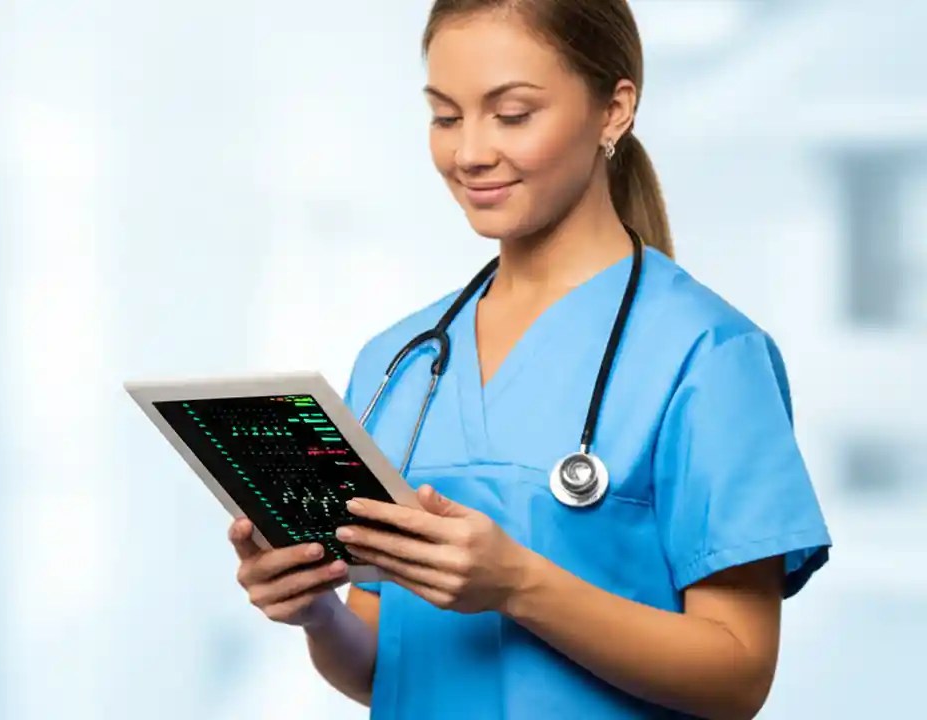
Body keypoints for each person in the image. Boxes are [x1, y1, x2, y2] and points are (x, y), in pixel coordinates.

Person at [226, 0, 832, 717]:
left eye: (511, 114)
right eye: (446, 116)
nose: (470, 152)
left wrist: (518, 584)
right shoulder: (398, 364)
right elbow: (386, 668)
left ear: (614, 110)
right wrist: (316, 612)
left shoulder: (707, 355)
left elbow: (737, 675)